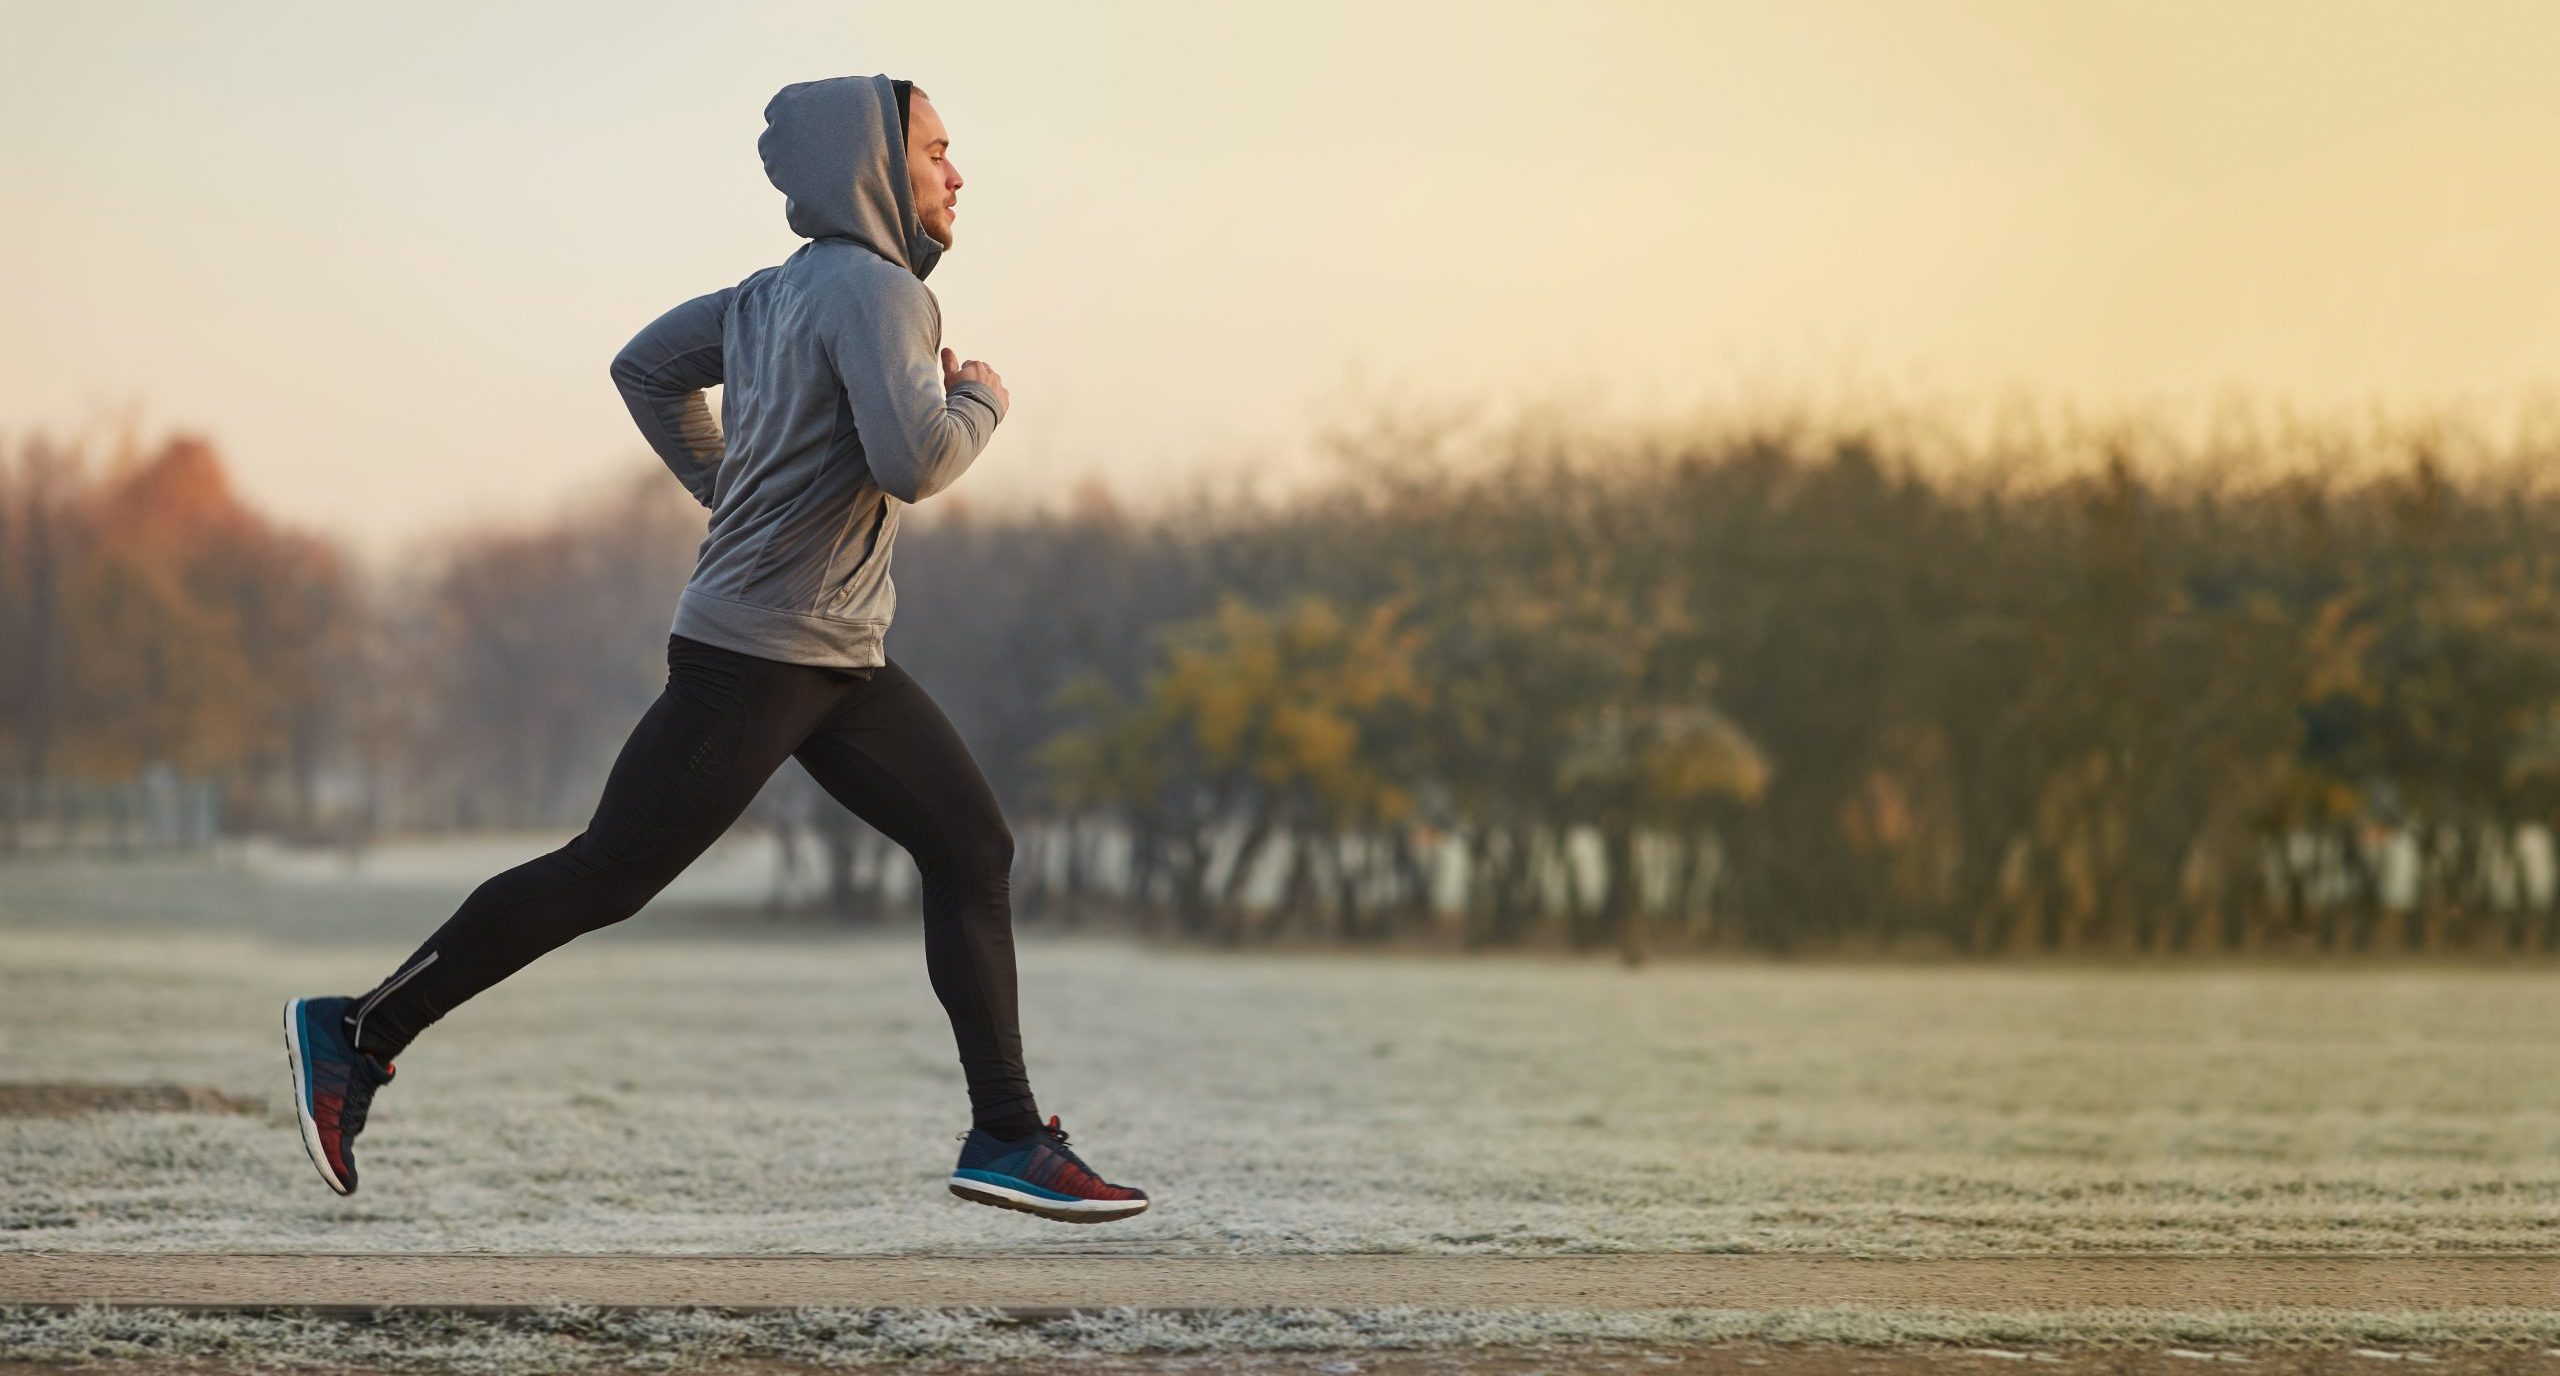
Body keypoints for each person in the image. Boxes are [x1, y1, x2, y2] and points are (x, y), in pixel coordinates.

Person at [281, 74, 1149, 1225]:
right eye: (937, 150)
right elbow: (915, 461)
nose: (955, 173)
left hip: (836, 655)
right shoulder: (884, 296)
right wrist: (982, 400)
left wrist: (725, 483)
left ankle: (1005, 1133)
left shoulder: (772, 294)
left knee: (972, 846)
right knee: (608, 870)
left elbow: (644, 365)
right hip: (761, 655)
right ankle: (355, 1031)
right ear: (878, 166)